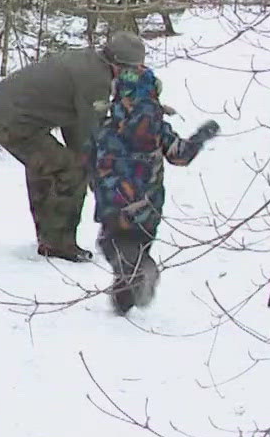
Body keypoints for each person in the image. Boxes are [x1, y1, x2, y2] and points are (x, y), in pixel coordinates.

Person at [0, 30, 152, 262]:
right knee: (73, 170)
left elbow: (75, 124)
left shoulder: (90, 63)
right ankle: (59, 244)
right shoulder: (96, 81)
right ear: (120, 66)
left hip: (6, 113)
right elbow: (89, 136)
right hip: (10, 120)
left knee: (50, 166)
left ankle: (50, 239)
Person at [88, 63, 218, 313]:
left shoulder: (106, 125)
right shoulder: (158, 127)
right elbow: (180, 156)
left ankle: (135, 278)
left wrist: (95, 184)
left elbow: (88, 159)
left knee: (111, 245)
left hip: (114, 204)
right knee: (137, 248)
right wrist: (201, 136)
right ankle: (127, 294)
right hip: (148, 206)